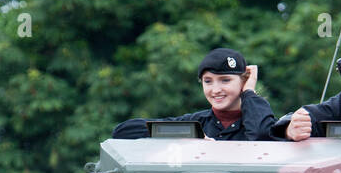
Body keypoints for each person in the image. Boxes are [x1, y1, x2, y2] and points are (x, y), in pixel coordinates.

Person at [112, 48, 276, 141]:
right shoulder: (197, 123)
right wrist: (186, 136)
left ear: (243, 81)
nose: (215, 89)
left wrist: (249, 92)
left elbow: (262, 137)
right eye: (208, 81)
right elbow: (123, 132)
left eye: (225, 80)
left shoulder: (258, 119)